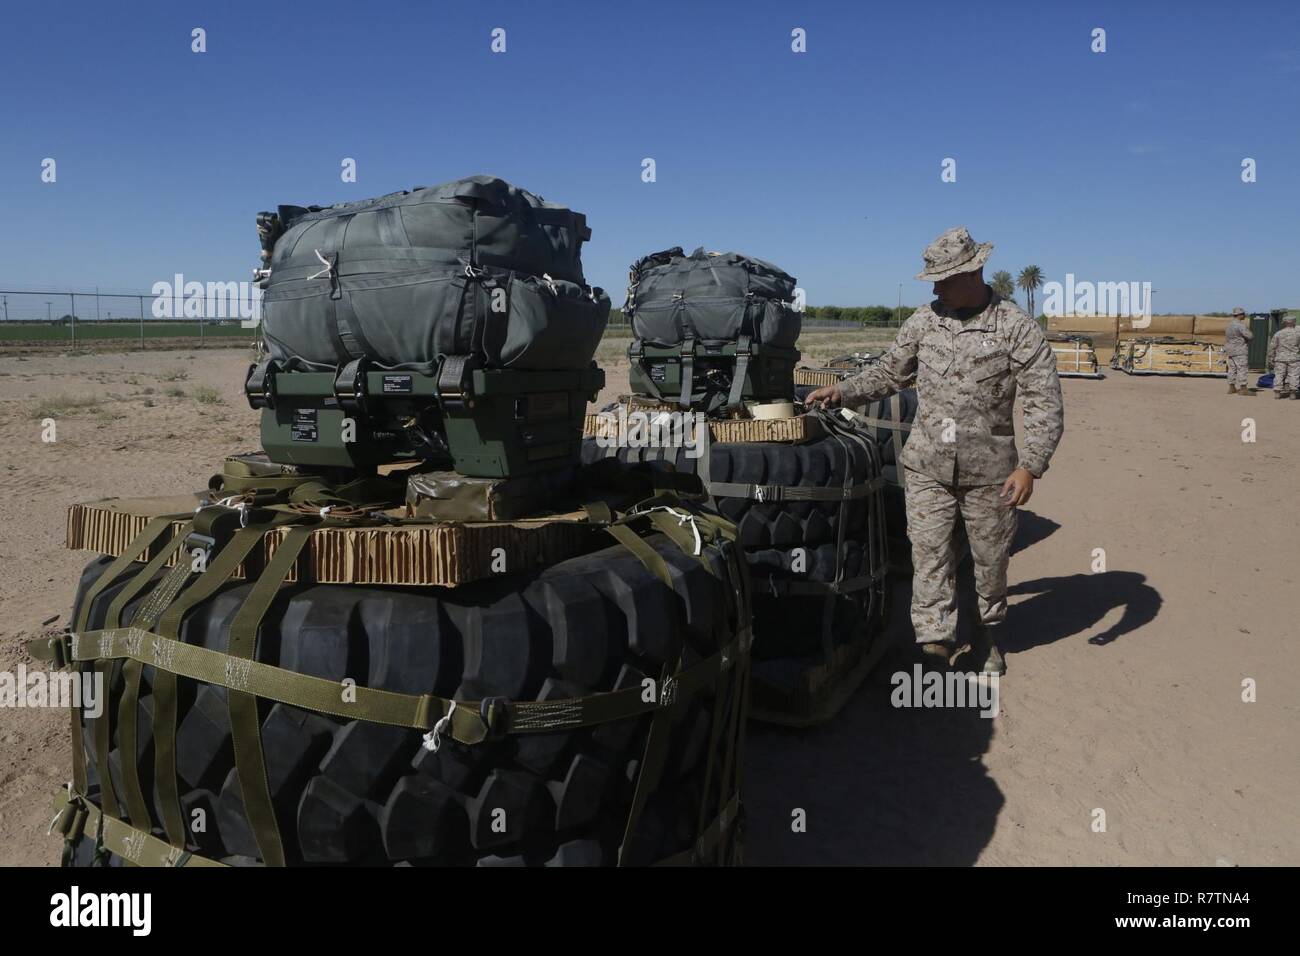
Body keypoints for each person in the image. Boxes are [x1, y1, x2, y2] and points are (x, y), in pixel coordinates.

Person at [807, 227, 1064, 675]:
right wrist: (841, 392)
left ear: (974, 271)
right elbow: (890, 373)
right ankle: (934, 643)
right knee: (929, 555)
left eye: (945, 278)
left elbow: (1044, 399)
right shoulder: (923, 322)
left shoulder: (1015, 327)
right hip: (926, 465)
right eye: (934, 279)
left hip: (992, 473)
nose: (938, 287)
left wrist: (1031, 466)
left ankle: (986, 634)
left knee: (991, 560)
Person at [1266, 316, 1300, 400]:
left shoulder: (1278, 333)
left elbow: (1272, 347)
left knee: (1279, 375)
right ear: (1294, 322)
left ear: (1285, 323)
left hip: (1280, 359)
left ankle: (1277, 393)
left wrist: (1271, 359)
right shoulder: (1298, 333)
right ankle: (1293, 394)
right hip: (1294, 358)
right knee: (1294, 375)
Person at [1224, 307, 1254, 395]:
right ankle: (1243, 388)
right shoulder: (1240, 325)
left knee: (1232, 369)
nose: (1244, 315)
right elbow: (1250, 336)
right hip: (1240, 350)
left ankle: (1231, 387)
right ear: (1240, 315)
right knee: (1242, 369)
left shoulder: (1229, 325)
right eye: (1243, 314)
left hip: (1230, 350)